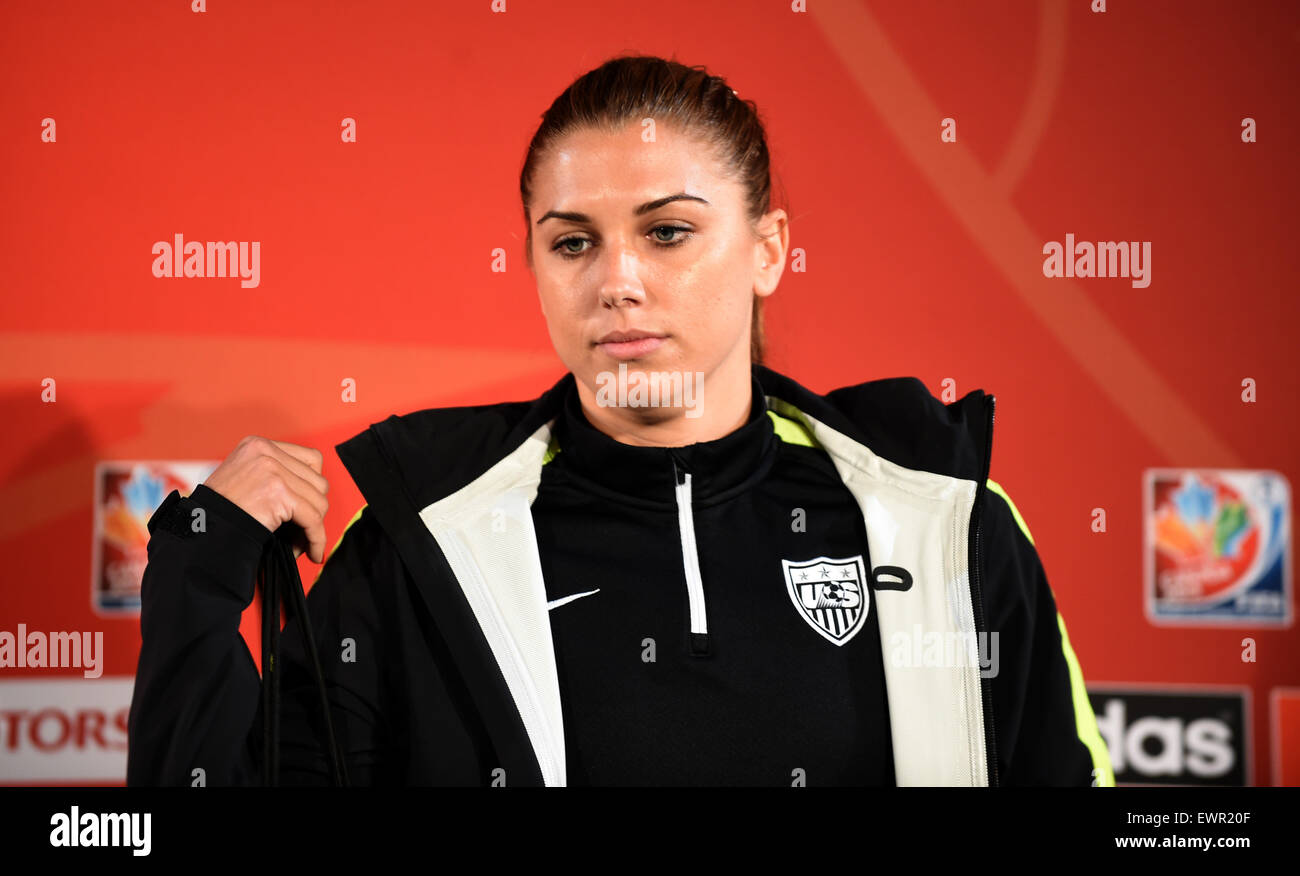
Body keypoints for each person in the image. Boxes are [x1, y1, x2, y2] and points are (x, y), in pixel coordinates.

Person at [126, 54, 1115, 787]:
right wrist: (201, 562)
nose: (617, 282)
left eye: (668, 232)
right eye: (572, 243)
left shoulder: (943, 522)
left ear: (768, 249)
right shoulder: (414, 544)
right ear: (532, 263)